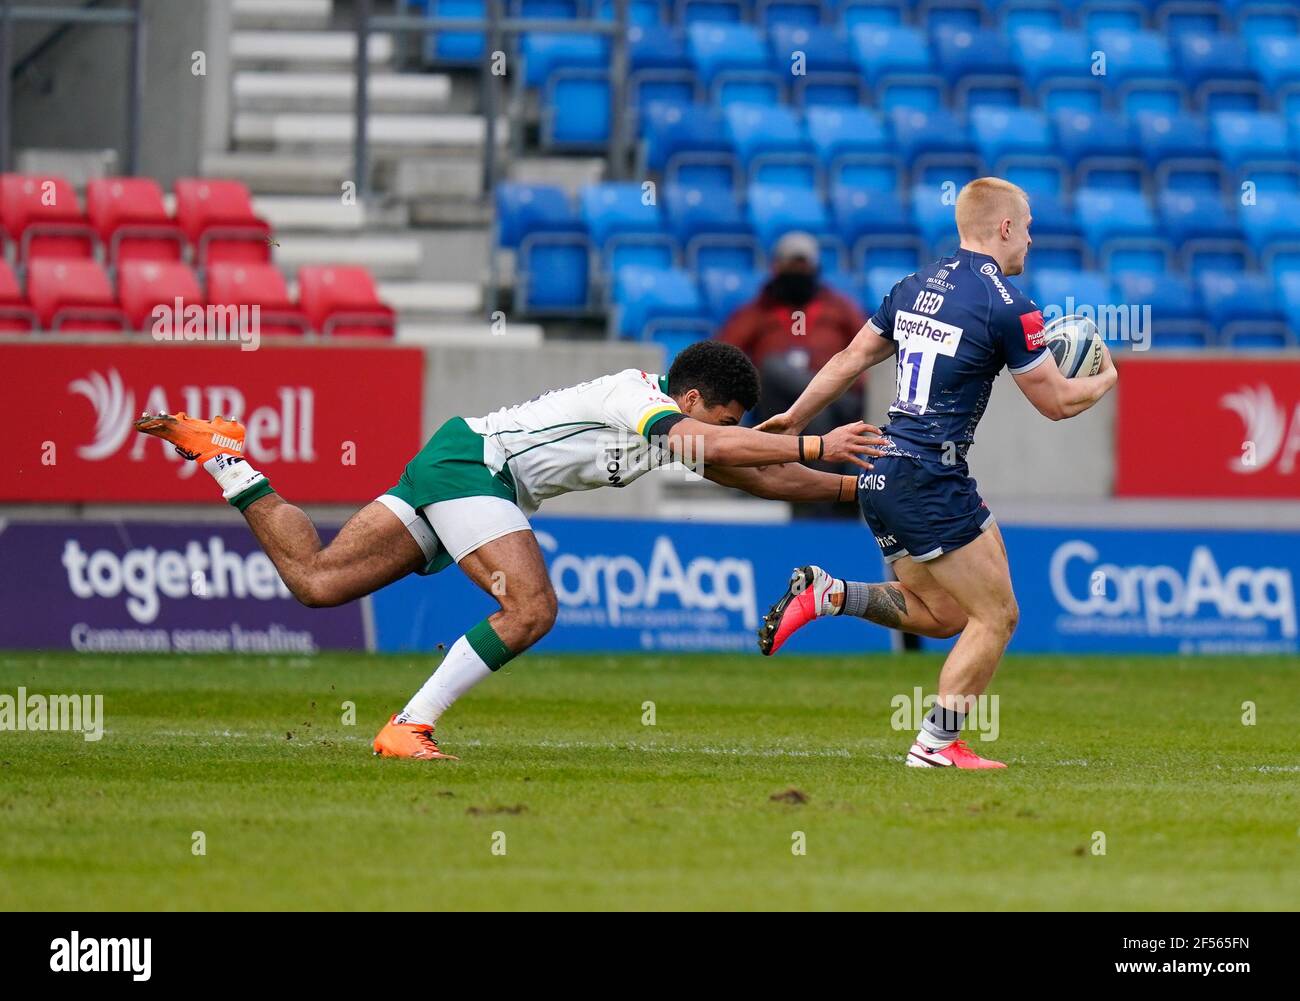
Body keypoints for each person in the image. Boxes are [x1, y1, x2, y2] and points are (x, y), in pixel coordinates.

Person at [134, 341, 886, 761]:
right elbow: (720, 446)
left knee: (317, 582)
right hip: (474, 468)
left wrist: (855, 491)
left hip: (457, 463)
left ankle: (227, 457)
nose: (726, 430)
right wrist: (819, 438)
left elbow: (752, 469)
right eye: (722, 416)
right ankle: (409, 726)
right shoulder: (635, 397)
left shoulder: (681, 427)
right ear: (690, 401)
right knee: (531, 608)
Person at [753, 178, 1118, 769]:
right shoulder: (1009, 305)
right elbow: (1056, 403)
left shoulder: (914, 287)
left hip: (887, 472)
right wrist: (1106, 379)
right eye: (1025, 226)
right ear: (1003, 228)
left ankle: (831, 594)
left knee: (946, 615)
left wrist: (794, 417)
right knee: (997, 615)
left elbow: (849, 358)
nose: (1030, 237)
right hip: (929, 478)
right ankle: (936, 745)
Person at [716, 231, 865, 439]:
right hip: (777, 406)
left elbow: (866, 350)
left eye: (803, 266)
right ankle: (828, 398)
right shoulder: (756, 311)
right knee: (773, 368)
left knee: (818, 415)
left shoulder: (839, 308)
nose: (798, 272)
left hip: (835, 413)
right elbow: (724, 354)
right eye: (791, 265)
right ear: (776, 267)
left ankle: (826, 401)